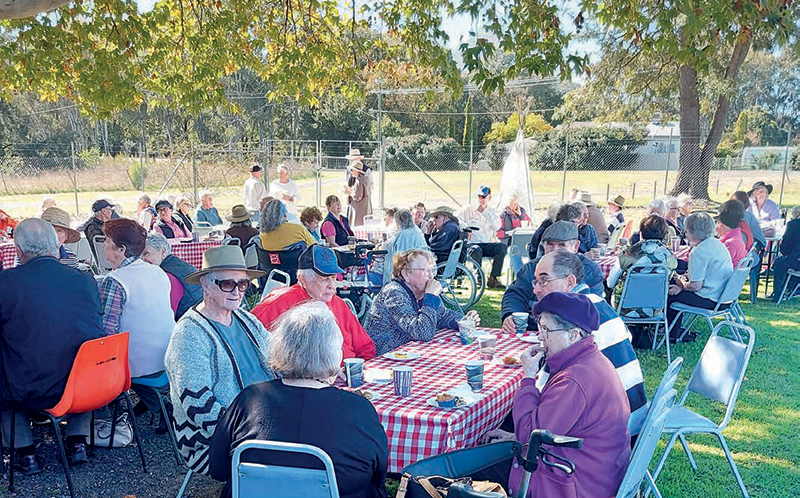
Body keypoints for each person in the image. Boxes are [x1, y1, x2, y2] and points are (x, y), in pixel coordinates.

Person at [208, 302, 388, 498]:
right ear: (335, 354)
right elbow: (378, 476)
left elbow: (219, 469)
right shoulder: (359, 408)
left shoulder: (249, 399)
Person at [0, 219, 102, 474]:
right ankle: (77, 443)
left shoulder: (6, 282)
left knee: (4, 379)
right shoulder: (85, 279)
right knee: (78, 358)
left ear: (19, 250)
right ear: (54, 246)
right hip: (88, 386)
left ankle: (26, 455)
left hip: (32, 388)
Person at [507, 292, 631, 497]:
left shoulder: (574, 379)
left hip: (572, 484)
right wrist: (512, 435)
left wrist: (528, 377)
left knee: (469, 470)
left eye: (546, 329)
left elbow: (528, 438)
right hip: (594, 474)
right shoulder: (591, 360)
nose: (540, 336)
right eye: (540, 326)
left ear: (573, 335)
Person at [165, 245, 274, 474]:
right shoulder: (189, 333)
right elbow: (197, 403)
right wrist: (251, 431)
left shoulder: (246, 319)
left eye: (243, 284)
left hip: (267, 417)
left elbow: (280, 358)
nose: (237, 292)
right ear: (205, 284)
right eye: (227, 284)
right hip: (213, 441)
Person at [99, 218, 176, 416]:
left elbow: (107, 332)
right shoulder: (158, 272)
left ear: (121, 249)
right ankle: (152, 402)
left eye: (107, 242)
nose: (104, 246)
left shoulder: (115, 280)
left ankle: (103, 420)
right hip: (168, 353)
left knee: (95, 359)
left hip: (139, 363)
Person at [252, 245, 376, 360]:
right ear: (303, 280)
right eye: (324, 279)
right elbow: (249, 337)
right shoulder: (277, 304)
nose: (332, 286)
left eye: (333, 278)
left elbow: (366, 348)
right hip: (303, 379)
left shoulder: (339, 304)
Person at [366, 249, 480, 355]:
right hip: (385, 358)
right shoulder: (394, 293)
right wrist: (430, 298)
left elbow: (443, 316)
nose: (431, 276)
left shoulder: (420, 292)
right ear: (406, 274)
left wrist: (463, 321)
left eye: (432, 270)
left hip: (409, 354)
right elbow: (422, 333)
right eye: (425, 270)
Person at [502, 221, 604, 329]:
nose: (555, 250)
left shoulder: (590, 270)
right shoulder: (531, 268)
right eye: (550, 244)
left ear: (576, 246)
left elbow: (591, 309)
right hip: (532, 329)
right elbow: (516, 294)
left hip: (571, 332)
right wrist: (510, 315)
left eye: (561, 245)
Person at [667, 213, 733, 341]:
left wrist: (680, 283)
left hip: (710, 299)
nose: (685, 233)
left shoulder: (698, 252)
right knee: (676, 286)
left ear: (693, 232)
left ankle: (671, 334)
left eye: (686, 230)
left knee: (670, 293)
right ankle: (674, 331)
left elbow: (695, 286)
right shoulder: (718, 244)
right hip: (724, 298)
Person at [611, 216, 679, 317]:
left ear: (641, 233)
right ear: (665, 235)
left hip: (624, 308)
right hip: (654, 310)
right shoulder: (669, 257)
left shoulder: (627, 254)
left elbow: (610, 283)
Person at [142, 233, 204, 319]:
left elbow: (167, 314)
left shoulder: (167, 275)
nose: (141, 260)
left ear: (163, 252)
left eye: (145, 253)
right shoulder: (176, 263)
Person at [459, 186, 507, 288]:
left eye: (483, 197)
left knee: (502, 247)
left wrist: (485, 212)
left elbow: (496, 227)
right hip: (472, 244)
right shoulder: (468, 209)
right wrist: (465, 227)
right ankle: (478, 278)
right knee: (476, 250)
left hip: (487, 243)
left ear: (489, 198)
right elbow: (456, 219)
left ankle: (493, 278)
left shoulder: (493, 211)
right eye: (479, 196)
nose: (481, 200)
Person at [381, 208, 428, 284]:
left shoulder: (402, 235)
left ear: (398, 222)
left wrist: (380, 246)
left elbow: (388, 248)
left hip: (405, 271)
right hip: (419, 267)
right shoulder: (416, 231)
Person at [773, 206, 800, 302]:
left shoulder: (793, 225)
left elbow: (785, 249)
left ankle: (778, 294)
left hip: (796, 261)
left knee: (779, 263)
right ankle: (793, 288)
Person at [716, 200, 747, 268]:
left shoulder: (730, 244)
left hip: (724, 277)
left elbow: (718, 264)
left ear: (720, 224)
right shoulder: (737, 237)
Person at [346, 160, 373, 226]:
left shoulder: (359, 181)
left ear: (356, 171)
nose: (351, 172)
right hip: (366, 205)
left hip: (360, 208)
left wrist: (349, 193)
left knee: (358, 225)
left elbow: (357, 197)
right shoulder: (366, 179)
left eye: (352, 170)